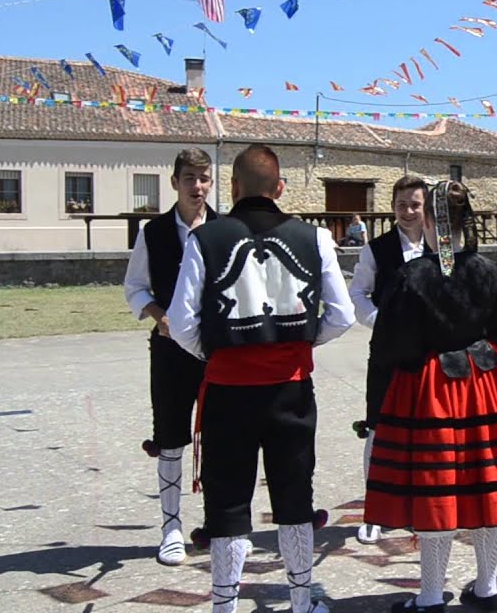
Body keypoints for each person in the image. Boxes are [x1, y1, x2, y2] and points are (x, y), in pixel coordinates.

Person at [167, 144, 356, 613]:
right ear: (280, 189)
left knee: (227, 501)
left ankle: (224, 605)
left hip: (229, 391)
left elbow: (181, 322)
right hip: (290, 390)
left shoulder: (205, 239)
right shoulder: (314, 238)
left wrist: (220, 356)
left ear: (231, 188)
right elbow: (343, 315)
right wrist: (298, 348)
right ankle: (300, 600)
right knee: (295, 494)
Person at [363, 181, 497, 613]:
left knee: (435, 493)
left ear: (428, 218)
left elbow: (387, 347)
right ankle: (488, 588)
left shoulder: (411, 276)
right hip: (484, 387)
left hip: (430, 391)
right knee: (486, 487)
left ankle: (429, 596)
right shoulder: (491, 272)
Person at [122, 147, 217, 566]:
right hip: (169, 352)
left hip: (216, 353)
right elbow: (135, 288)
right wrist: (161, 318)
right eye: (190, 178)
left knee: (221, 439)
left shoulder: (225, 228)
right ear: (174, 182)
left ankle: (221, 524)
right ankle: (171, 528)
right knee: (171, 439)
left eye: (204, 178)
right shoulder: (154, 232)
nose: (198, 186)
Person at [348, 175, 428, 545]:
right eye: (401, 205)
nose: (408, 212)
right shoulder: (376, 249)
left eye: (415, 204)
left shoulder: (441, 248)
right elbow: (359, 294)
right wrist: (382, 324)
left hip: (429, 357)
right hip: (387, 354)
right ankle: (374, 511)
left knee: (424, 433)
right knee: (379, 430)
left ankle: (417, 507)